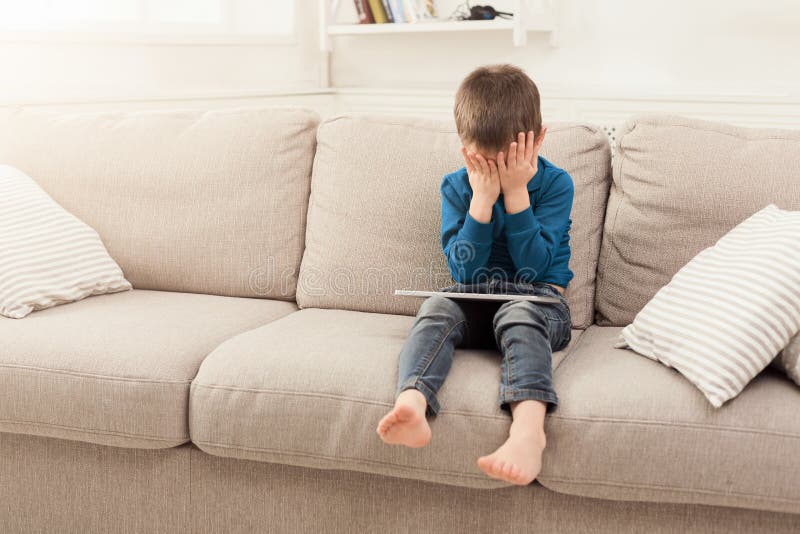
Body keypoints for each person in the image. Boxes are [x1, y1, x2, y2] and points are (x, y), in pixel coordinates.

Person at [376, 64, 575, 486]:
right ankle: (413, 403)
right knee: (435, 307)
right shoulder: (457, 187)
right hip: (475, 296)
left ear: (537, 141)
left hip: (538, 301)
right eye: (485, 163)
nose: (496, 172)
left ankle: (527, 430)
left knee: (518, 315)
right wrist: (480, 201)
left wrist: (516, 193)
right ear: (465, 148)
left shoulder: (556, 185)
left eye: (508, 162)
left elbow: (534, 268)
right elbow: (463, 271)